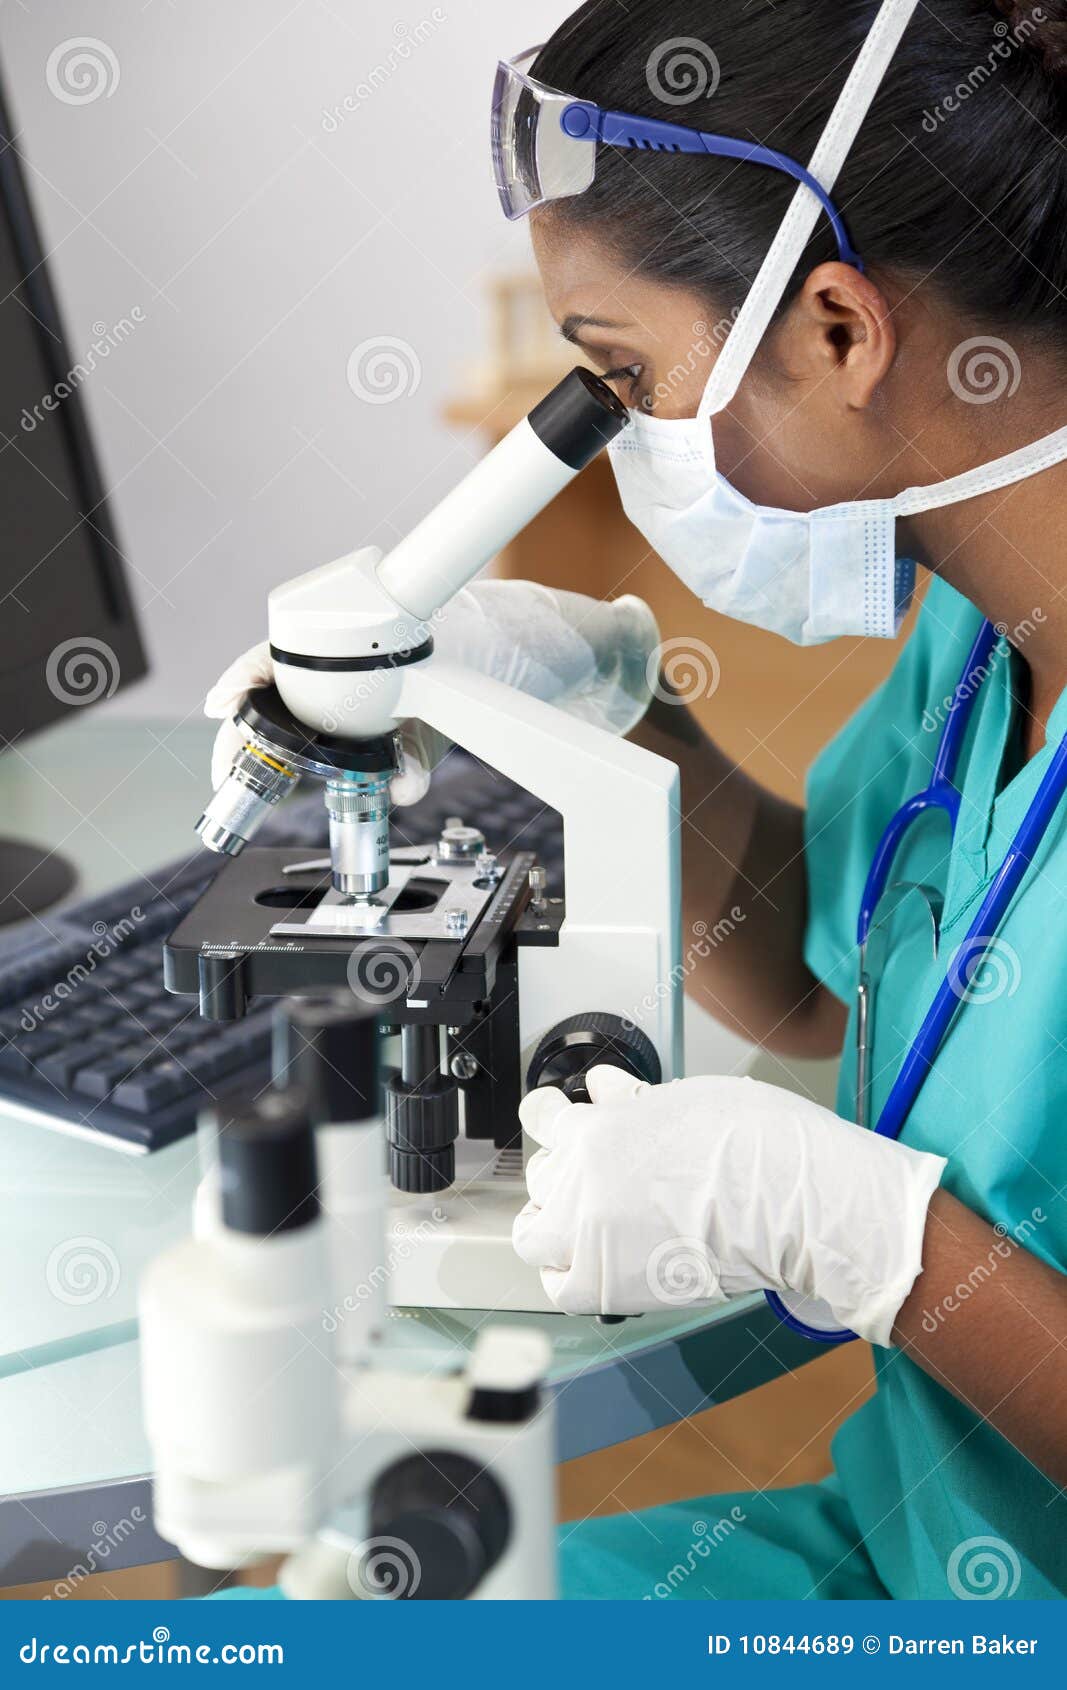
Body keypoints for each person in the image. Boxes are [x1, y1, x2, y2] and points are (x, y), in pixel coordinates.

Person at [208, 0, 1067, 1601]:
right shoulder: (979, 629)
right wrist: (613, 713)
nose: (611, 444)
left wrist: (873, 1238)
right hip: (900, 1546)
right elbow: (817, 977)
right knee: (295, 1618)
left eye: (618, 377)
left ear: (835, 328)